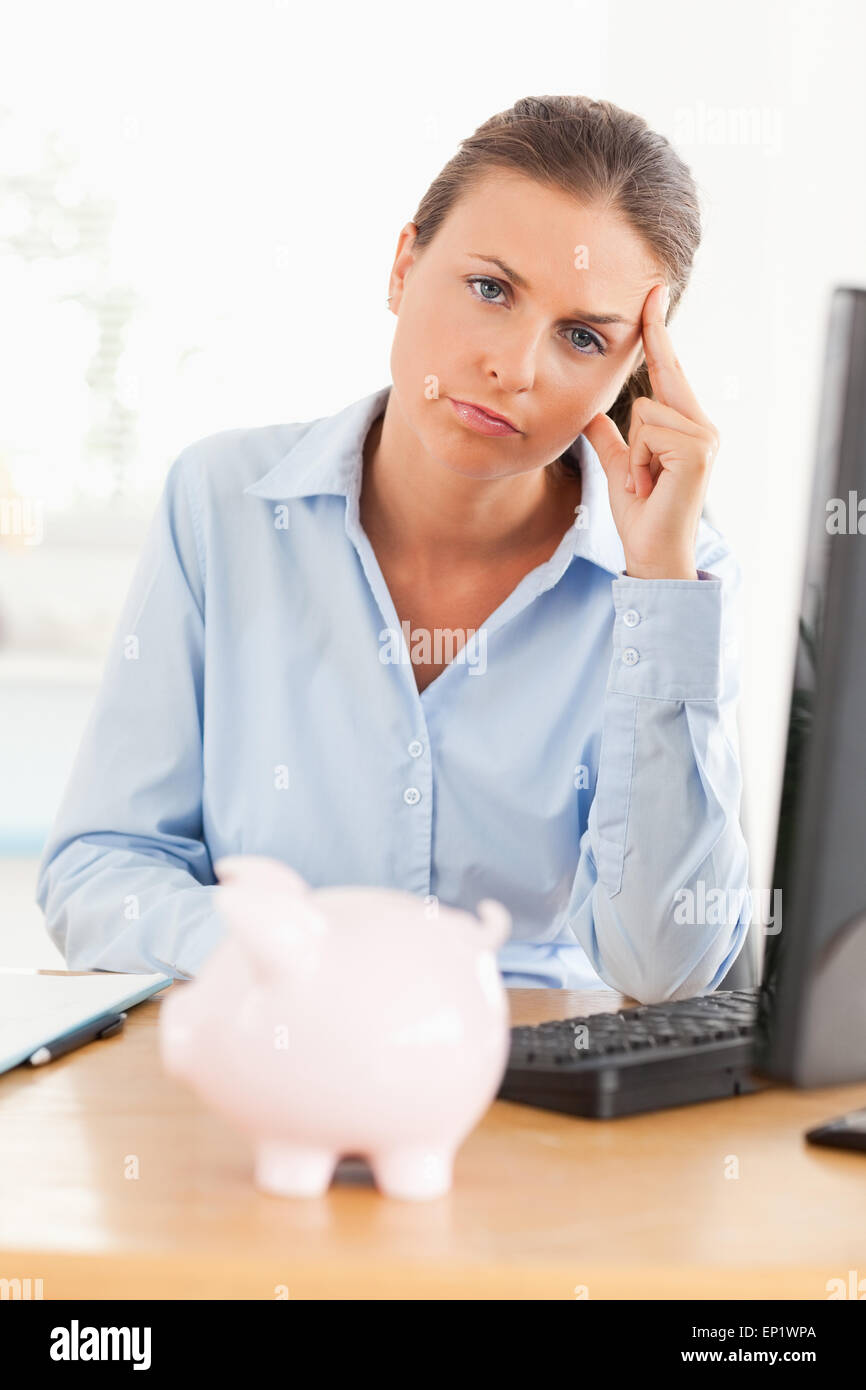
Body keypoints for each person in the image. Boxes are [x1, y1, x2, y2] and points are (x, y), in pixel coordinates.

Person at [35, 94, 752, 999]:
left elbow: (669, 970)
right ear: (404, 267)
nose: (517, 368)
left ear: (630, 374)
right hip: (266, 1060)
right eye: (490, 289)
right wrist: (293, 959)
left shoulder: (680, 576)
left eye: (582, 337)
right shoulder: (223, 503)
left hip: (535, 1097)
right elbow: (103, 867)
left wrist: (661, 592)